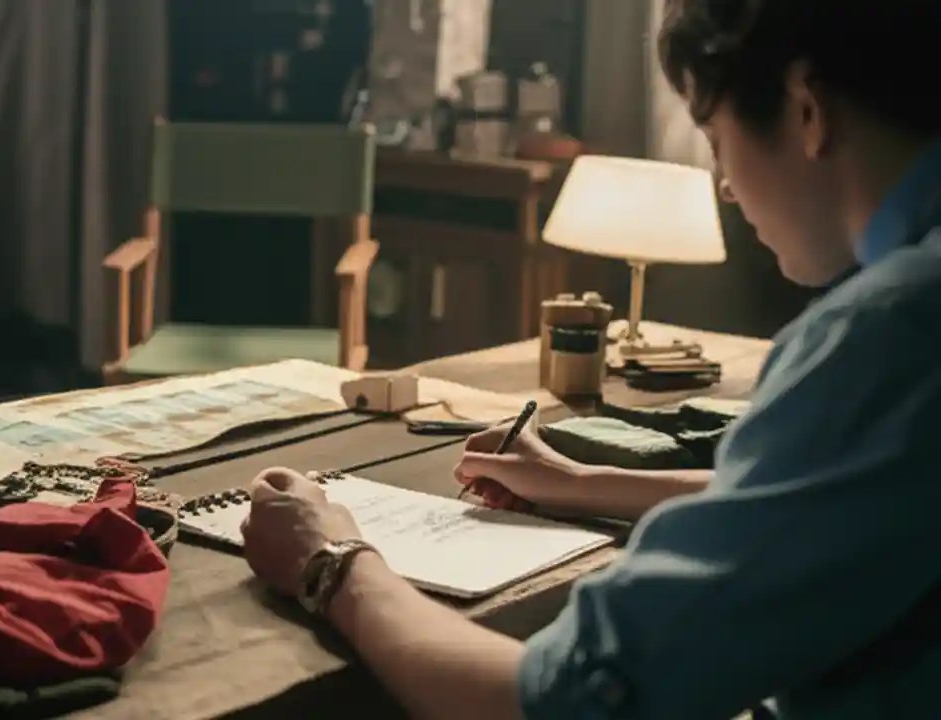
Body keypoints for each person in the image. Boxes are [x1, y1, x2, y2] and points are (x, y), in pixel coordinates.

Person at [238, 1, 941, 718]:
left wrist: (331, 563)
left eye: (714, 137)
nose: (726, 185)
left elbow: (565, 701)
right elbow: (823, 501)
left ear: (806, 110)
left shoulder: (894, 333)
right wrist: (583, 482)